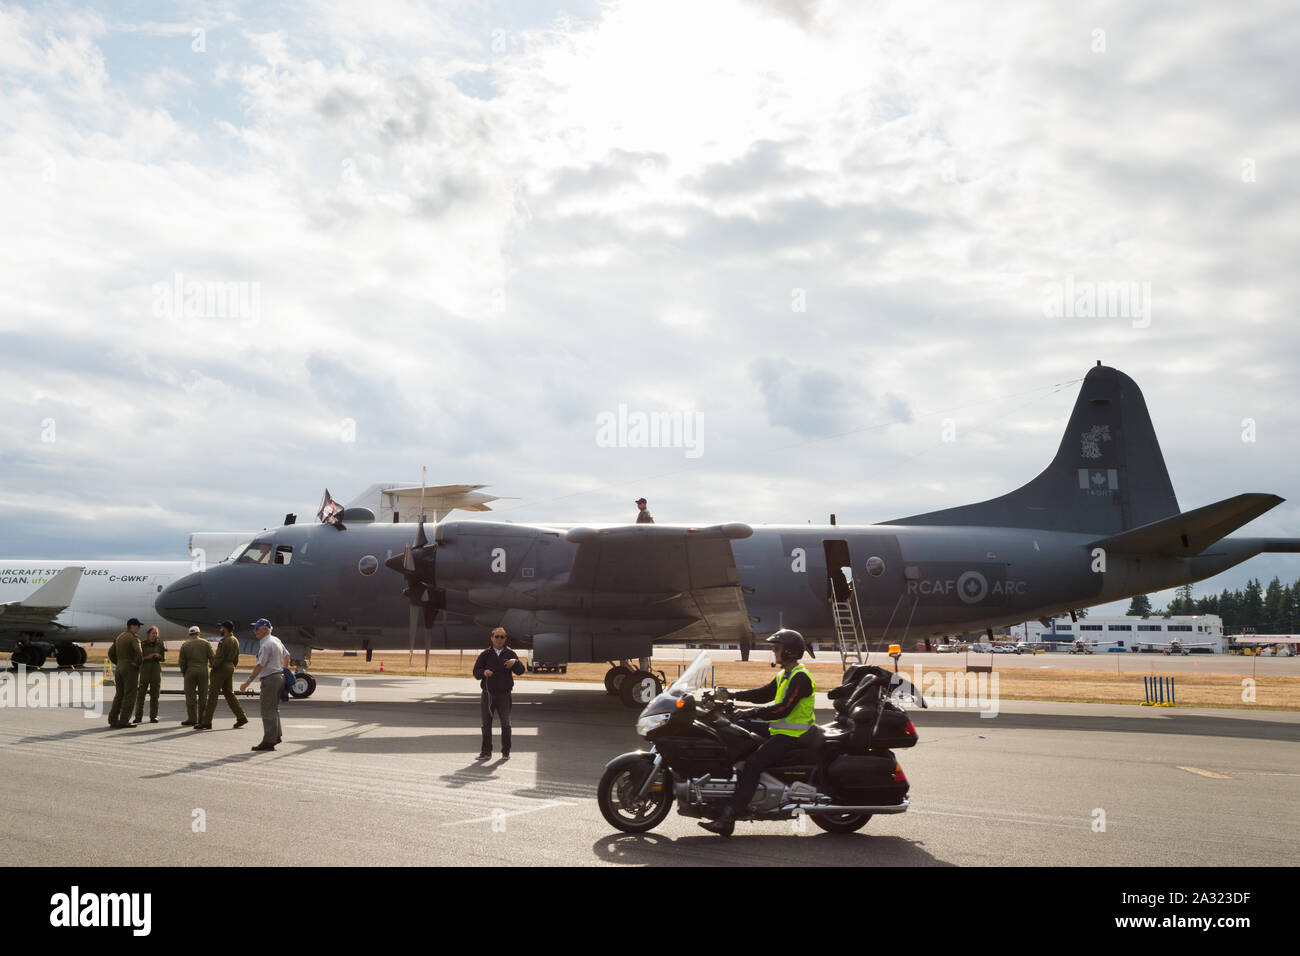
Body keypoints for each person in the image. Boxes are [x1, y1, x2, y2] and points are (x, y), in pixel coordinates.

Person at [701, 629, 817, 836]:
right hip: (781, 730)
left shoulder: (801, 678)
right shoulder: (786, 674)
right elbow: (763, 694)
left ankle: (730, 816)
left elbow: (783, 709)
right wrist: (731, 696)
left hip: (793, 736)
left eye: (777, 647)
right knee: (739, 727)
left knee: (753, 764)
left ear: (789, 652)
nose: (773, 650)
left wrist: (751, 711)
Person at [472, 627, 525, 759]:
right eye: (497, 636)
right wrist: (484, 672)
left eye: (502, 637)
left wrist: (515, 662)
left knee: (506, 724)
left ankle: (505, 752)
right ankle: (486, 752)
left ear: (505, 639)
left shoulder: (510, 654)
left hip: (504, 695)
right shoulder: (485, 654)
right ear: (492, 638)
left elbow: (520, 671)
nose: (499, 639)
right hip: (488, 694)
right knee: (486, 724)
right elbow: (476, 671)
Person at [241, 618, 289, 752]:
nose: (254, 631)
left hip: (270, 679)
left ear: (264, 629)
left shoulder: (266, 645)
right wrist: (283, 670)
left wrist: (247, 682)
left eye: (256, 628)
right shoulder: (276, 640)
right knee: (273, 708)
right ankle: (276, 736)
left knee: (267, 710)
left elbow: (260, 665)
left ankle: (269, 741)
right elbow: (287, 655)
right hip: (279, 677)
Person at [203, 620, 248, 729]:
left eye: (221, 628)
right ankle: (241, 717)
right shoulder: (235, 640)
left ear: (226, 629)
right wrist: (232, 666)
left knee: (213, 695)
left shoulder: (224, 641)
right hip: (230, 667)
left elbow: (219, 657)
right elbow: (237, 657)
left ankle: (206, 722)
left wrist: (213, 666)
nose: (220, 630)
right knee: (229, 694)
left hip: (221, 668)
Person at [107, 618, 144, 728]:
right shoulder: (133, 638)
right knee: (130, 695)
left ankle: (113, 720)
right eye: (137, 625)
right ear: (132, 626)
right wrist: (137, 663)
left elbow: (110, 653)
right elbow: (139, 653)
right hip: (129, 668)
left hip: (119, 668)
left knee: (119, 694)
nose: (139, 628)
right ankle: (124, 720)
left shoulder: (120, 637)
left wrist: (118, 662)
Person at [178, 626, 213, 728]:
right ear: (199, 633)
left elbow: (182, 662)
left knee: (190, 696)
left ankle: (192, 719)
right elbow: (212, 658)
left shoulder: (185, 645)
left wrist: (184, 672)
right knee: (203, 696)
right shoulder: (206, 643)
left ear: (189, 634)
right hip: (203, 671)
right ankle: (202, 719)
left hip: (190, 671)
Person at [133, 625, 166, 724]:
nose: (154, 635)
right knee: (141, 695)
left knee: (155, 695)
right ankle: (138, 717)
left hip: (155, 671)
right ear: (148, 634)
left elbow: (163, 658)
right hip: (144, 670)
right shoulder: (142, 644)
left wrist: (158, 656)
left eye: (156, 633)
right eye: (153, 633)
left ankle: (153, 716)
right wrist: (149, 657)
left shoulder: (160, 644)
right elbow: (139, 658)